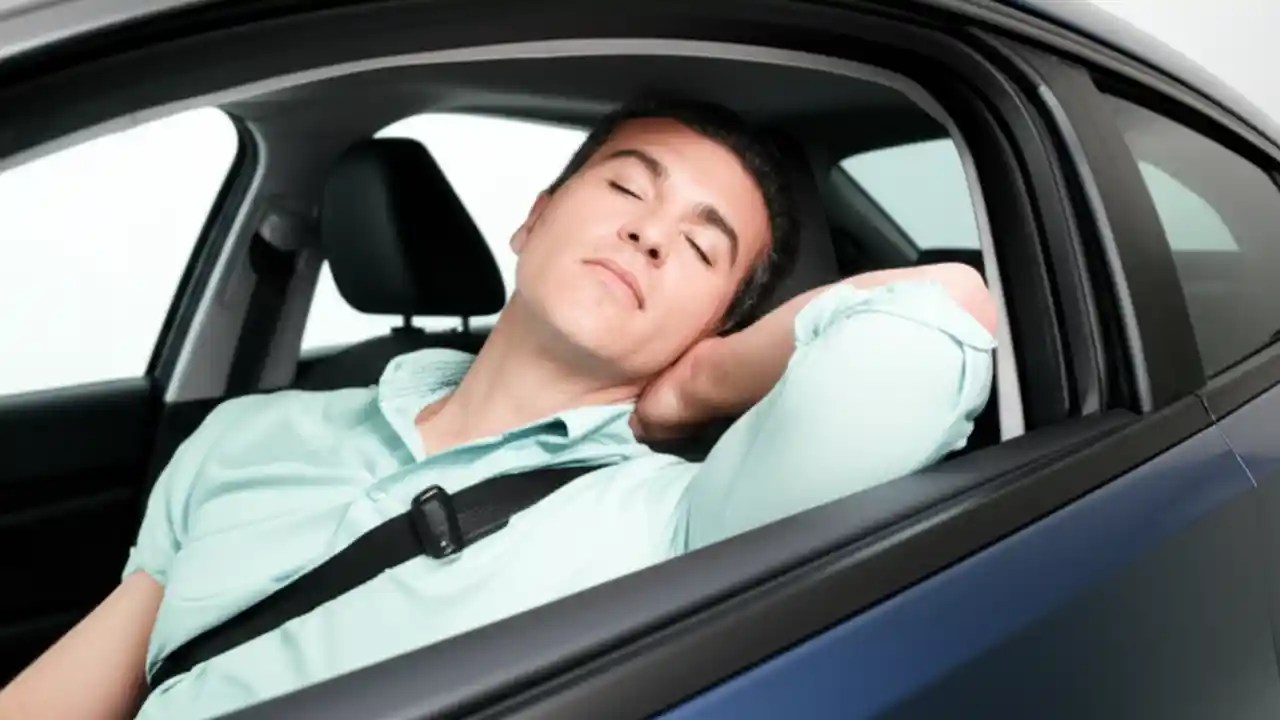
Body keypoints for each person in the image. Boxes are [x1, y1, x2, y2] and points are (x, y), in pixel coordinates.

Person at [0, 98, 998, 720]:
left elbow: (944, 309)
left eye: (701, 249)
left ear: (715, 324)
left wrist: (700, 384)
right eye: (627, 189)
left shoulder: (685, 525)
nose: (650, 235)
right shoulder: (249, 435)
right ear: (533, 219)